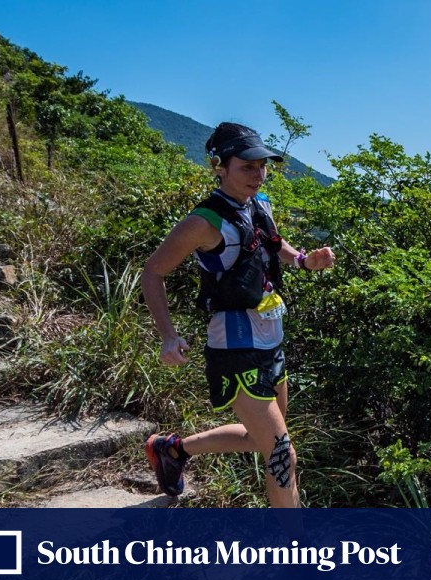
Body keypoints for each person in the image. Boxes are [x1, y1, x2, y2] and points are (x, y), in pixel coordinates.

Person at [140, 122, 335, 508]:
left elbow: (272, 244)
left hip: (271, 340)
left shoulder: (258, 204)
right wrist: (168, 335)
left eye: (262, 166)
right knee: (281, 455)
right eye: (247, 166)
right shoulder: (203, 222)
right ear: (220, 166)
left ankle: (172, 450)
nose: (258, 174)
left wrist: (303, 260)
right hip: (235, 346)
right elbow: (153, 272)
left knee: (258, 439)